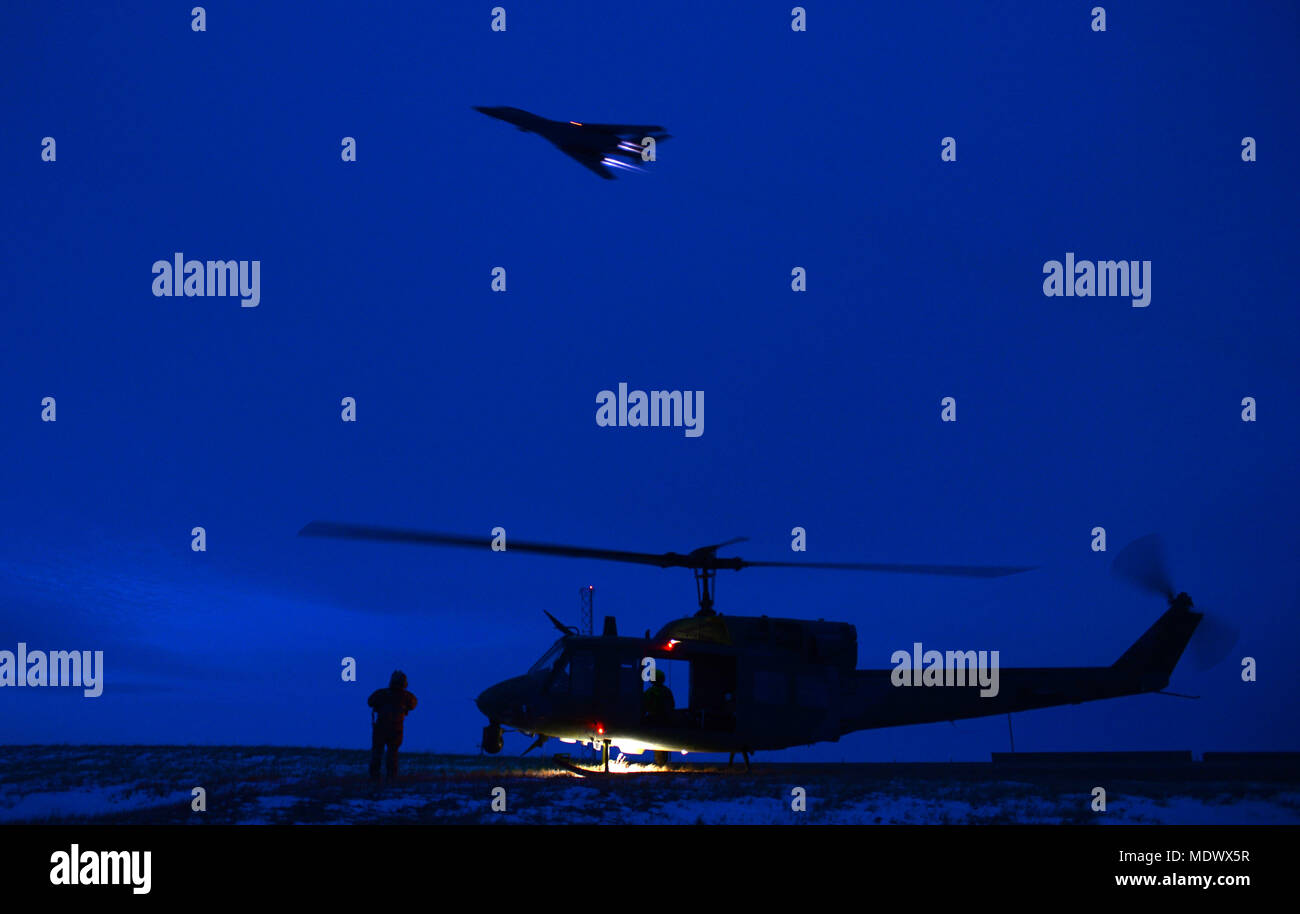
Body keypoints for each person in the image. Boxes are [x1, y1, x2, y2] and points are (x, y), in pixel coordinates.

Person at [368, 670, 418, 781]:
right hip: (396, 728)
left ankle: (374, 777)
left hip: (381, 727)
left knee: (377, 752)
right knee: (393, 753)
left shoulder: (381, 693)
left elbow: (370, 701)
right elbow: (413, 704)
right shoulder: (407, 696)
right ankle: (391, 777)